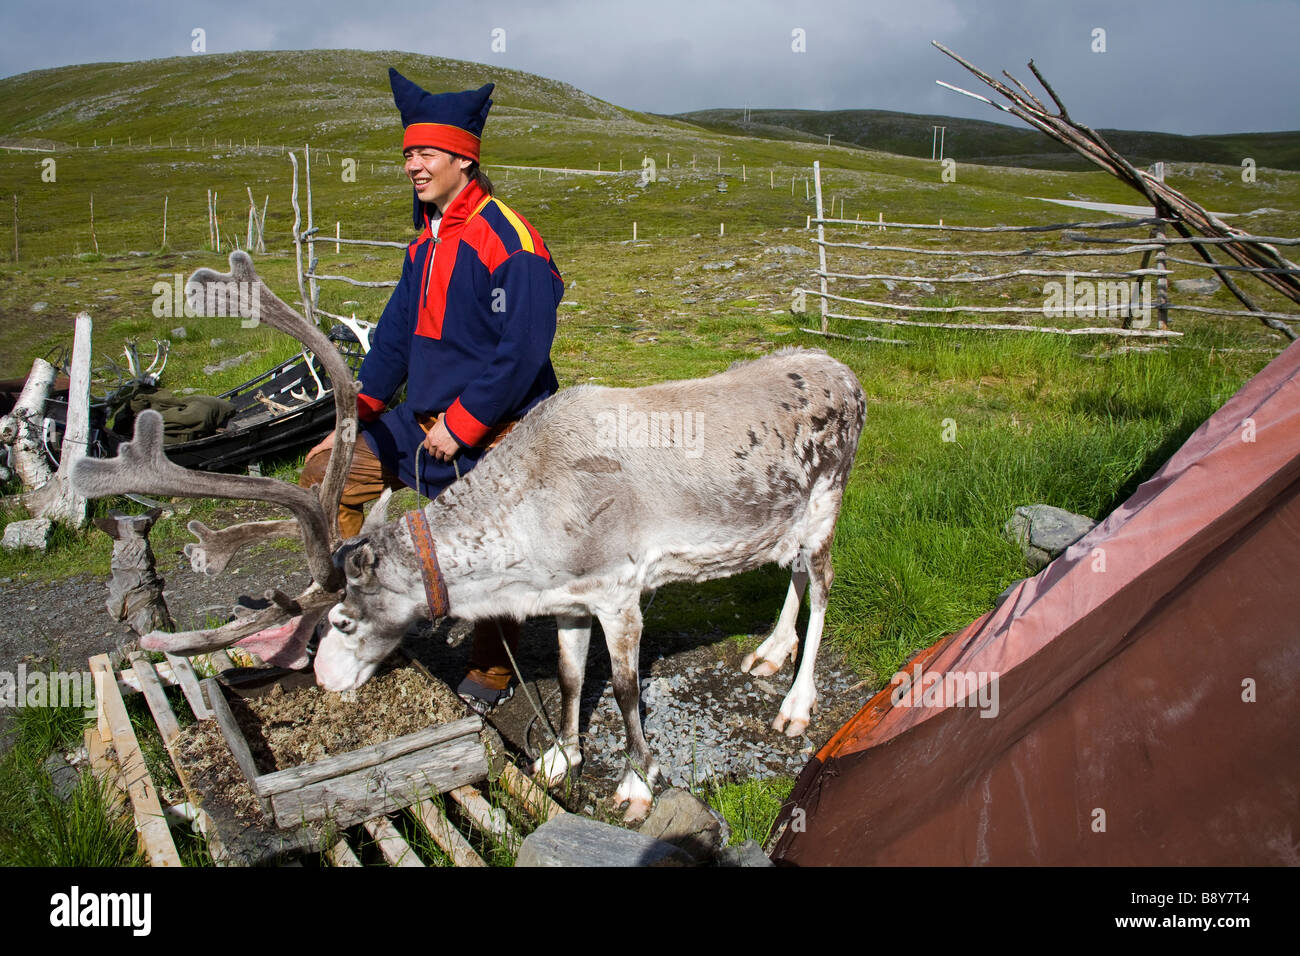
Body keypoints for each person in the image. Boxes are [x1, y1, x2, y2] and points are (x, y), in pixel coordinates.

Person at [299, 68, 564, 714]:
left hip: (501, 428)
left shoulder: (511, 239)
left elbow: (524, 350)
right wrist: (355, 415)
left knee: (491, 551)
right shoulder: (425, 243)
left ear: (462, 159)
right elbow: (392, 341)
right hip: (422, 424)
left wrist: (465, 424)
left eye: (425, 154)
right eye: (408, 154)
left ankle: (492, 670)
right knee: (324, 473)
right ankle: (367, 598)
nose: (413, 165)